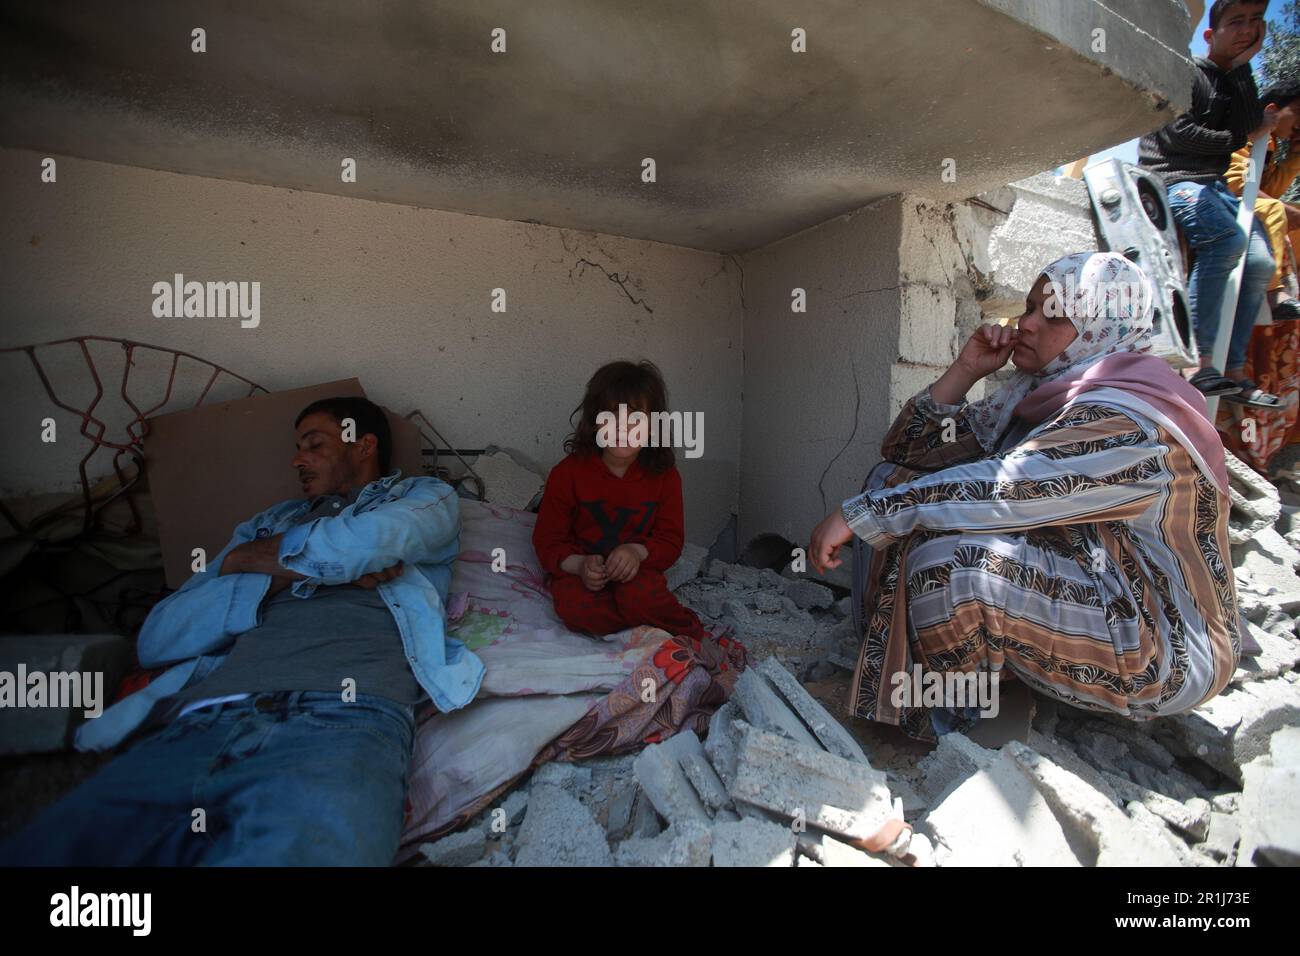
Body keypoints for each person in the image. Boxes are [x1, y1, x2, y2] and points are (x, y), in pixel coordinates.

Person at [0, 397, 481, 865]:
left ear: (364, 445)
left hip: (343, 718)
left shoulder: (423, 497)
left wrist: (251, 563)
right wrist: (286, 573)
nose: (297, 460)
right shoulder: (267, 524)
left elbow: (369, 543)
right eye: (297, 448)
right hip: (206, 714)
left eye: (314, 445)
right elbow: (158, 638)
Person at [807, 253, 1243, 740]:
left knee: (950, 563)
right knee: (892, 480)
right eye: (1030, 307)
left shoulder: (1131, 418)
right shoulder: (1038, 394)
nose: (1027, 324)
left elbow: (1008, 488)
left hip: (1163, 646)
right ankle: (950, 667)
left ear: (1099, 327)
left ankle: (959, 725)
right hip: (1085, 593)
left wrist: (864, 515)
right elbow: (909, 452)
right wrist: (965, 369)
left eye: (1053, 315)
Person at [1138, 0, 1279, 405]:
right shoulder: (1184, 70)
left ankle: (1233, 370)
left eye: (1255, 22)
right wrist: (1240, 138)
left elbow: (1250, 121)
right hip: (1173, 177)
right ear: (1210, 34)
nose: (1247, 29)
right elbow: (1178, 134)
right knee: (1225, 240)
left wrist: (1245, 66)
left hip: (1212, 185)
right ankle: (1197, 362)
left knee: (1261, 262)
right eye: (1236, 22)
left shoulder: (1232, 79)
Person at [533, 360, 712, 642]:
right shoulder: (567, 475)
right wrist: (579, 565)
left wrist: (636, 552)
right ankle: (637, 630)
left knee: (638, 595)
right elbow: (547, 541)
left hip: (637, 573)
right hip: (584, 572)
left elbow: (670, 540)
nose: (623, 430)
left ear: (653, 426)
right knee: (574, 607)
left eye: (636, 420)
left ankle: (693, 635)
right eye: (611, 418)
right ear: (594, 422)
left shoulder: (664, 476)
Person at [1221, 79, 1300, 468]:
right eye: (1297, 115)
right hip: (1221, 205)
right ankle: (1275, 290)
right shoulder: (1245, 133)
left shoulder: (1268, 146)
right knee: (1273, 213)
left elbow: (1268, 187)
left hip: (1249, 213)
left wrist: (1293, 158)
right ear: (1273, 108)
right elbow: (1240, 185)